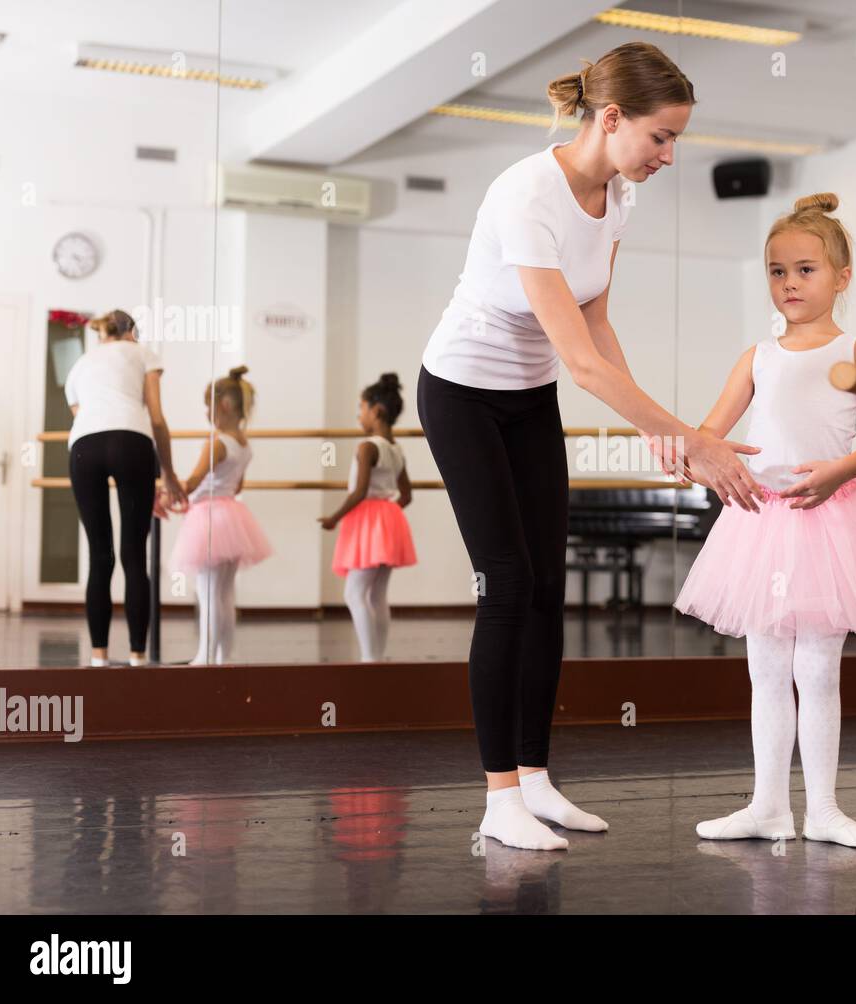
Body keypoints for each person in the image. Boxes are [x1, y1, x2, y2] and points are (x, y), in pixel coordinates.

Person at [416, 41, 764, 852]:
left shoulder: (618, 199)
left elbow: (596, 323)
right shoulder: (525, 193)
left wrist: (660, 435)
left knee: (545, 588)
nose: (669, 156)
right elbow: (577, 356)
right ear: (611, 119)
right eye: (660, 137)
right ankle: (497, 796)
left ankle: (535, 780)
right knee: (505, 582)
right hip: (462, 393)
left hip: (529, 396)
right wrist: (682, 435)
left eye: (676, 140)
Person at [674, 192, 856, 849]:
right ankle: (767, 807)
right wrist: (699, 455)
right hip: (762, 524)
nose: (789, 283)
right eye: (777, 270)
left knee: (817, 669)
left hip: (827, 522)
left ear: (842, 278)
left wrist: (843, 471)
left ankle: (822, 810)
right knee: (764, 670)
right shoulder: (758, 355)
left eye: (806, 269)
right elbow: (711, 429)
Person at [64, 309, 188, 666]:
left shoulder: (81, 364)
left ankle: (98, 657)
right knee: (135, 555)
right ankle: (137, 657)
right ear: (132, 333)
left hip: (85, 447)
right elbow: (157, 417)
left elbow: (86, 417)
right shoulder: (143, 352)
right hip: (132, 441)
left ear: (102, 334)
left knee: (99, 555)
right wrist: (168, 474)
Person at [166, 366, 272, 664]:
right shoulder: (243, 444)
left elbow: (194, 481)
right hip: (232, 515)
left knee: (208, 592)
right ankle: (223, 656)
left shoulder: (216, 443)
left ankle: (205, 656)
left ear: (223, 406)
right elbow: (236, 484)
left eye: (207, 406)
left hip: (209, 518)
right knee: (224, 593)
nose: (205, 413)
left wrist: (170, 487)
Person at [320, 373, 417, 663]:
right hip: (388, 518)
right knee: (377, 596)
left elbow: (359, 491)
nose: (358, 415)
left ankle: (369, 659)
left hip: (367, 522)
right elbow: (407, 495)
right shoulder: (396, 450)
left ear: (377, 411)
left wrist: (333, 518)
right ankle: (378, 656)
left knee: (354, 594)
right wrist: (387, 518)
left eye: (361, 408)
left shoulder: (367, 447)